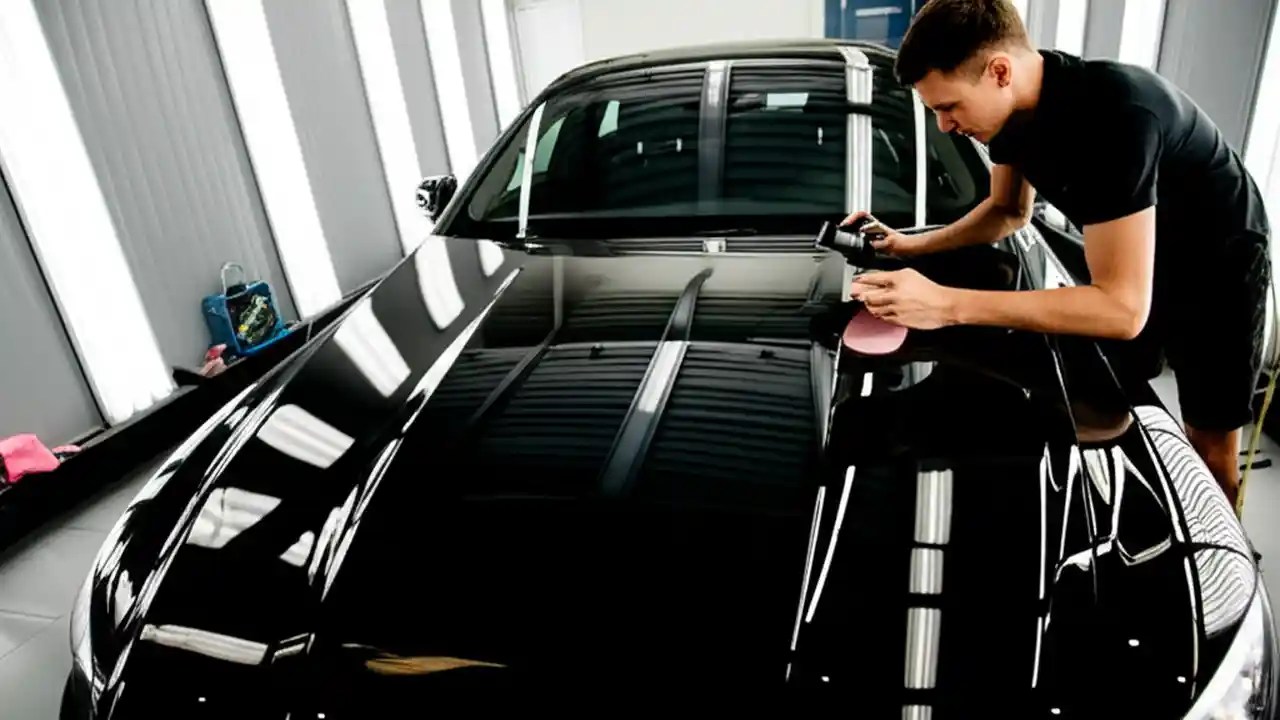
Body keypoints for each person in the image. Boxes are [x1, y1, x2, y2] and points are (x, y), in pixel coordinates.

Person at [846, 0, 1272, 507]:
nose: (944, 125)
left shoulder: (1115, 117)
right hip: (1130, 254)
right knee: (1111, 392)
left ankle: (1225, 553)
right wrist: (908, 244)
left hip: (1215, 261)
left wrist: (944, 304)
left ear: (999, 71)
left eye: (949, 107)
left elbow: (1121, 309)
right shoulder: (1011, 114)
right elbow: (1006, 210)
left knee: (1208, 442)